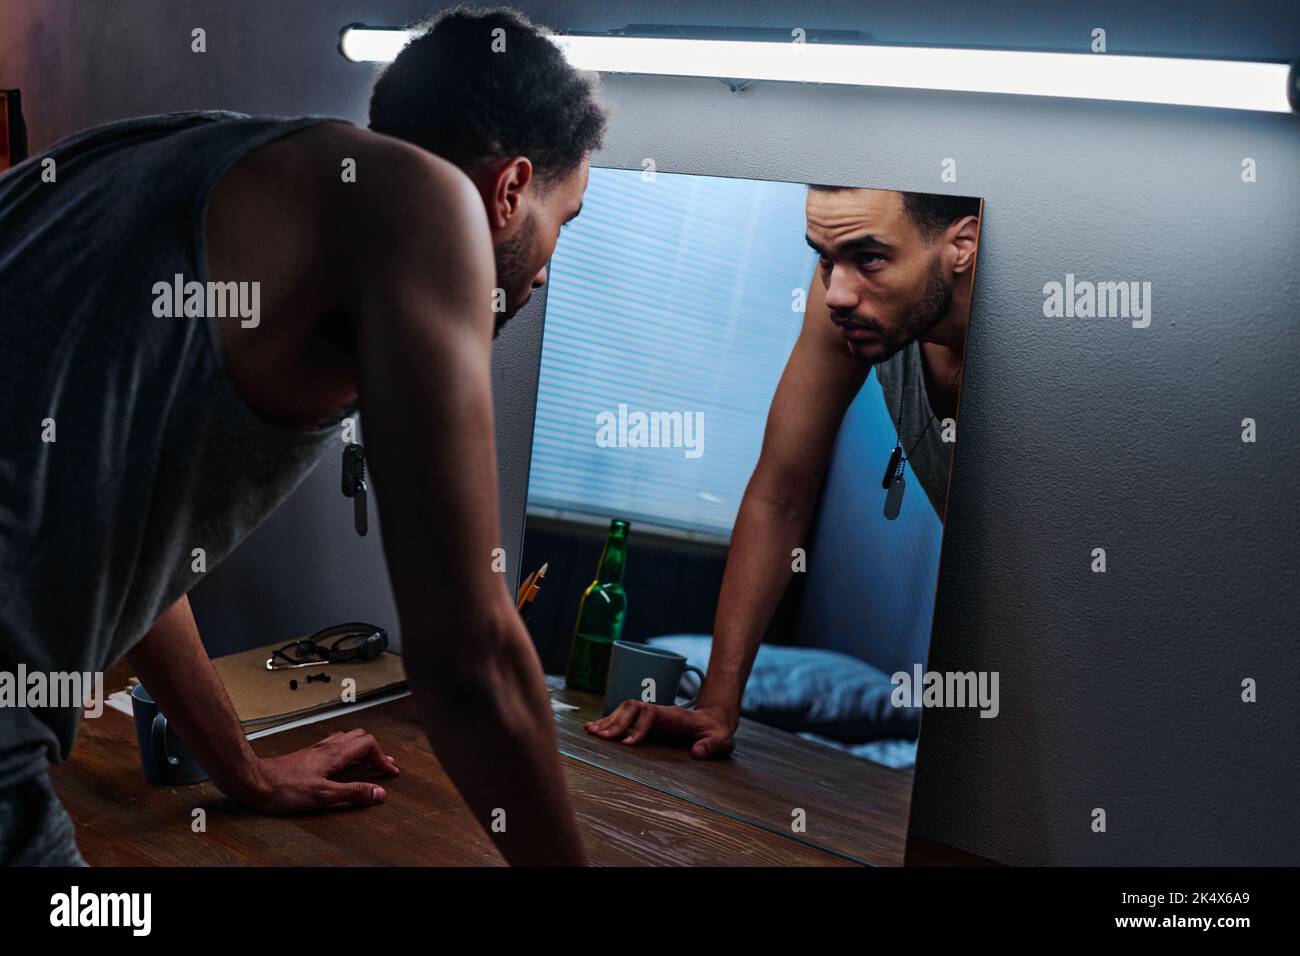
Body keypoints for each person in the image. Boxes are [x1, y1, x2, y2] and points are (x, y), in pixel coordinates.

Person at [0, 7, 605, 866]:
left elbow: (130, 545)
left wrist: (243, 771)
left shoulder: (198, 156)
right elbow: (470, 663)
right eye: (563, 221)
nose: (546, 267)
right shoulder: (430, 208)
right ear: (508, 192)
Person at [585, 186, 980, 757]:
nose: (836, 293)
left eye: (869, 258)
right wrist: (718, 706)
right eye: (824, 257)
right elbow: (780, 495)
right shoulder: (848, 314)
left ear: (962, 245)